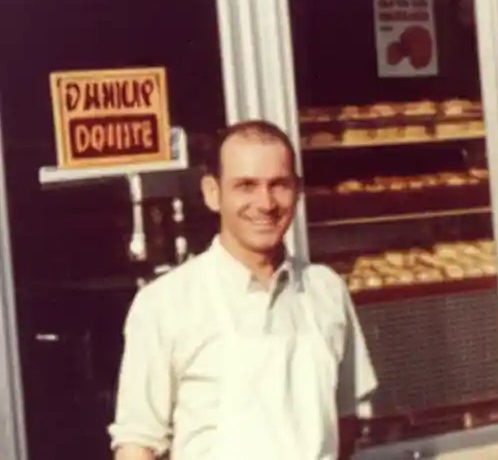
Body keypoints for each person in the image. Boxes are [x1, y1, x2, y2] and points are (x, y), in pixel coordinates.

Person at [109, 120, 377, 459]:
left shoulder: (326, 290)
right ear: (212, 193)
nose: (265, 203)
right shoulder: (165, 303)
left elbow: (345, 421)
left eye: (278, 185)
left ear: (298, 191)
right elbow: (137, 443)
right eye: (246, 186)